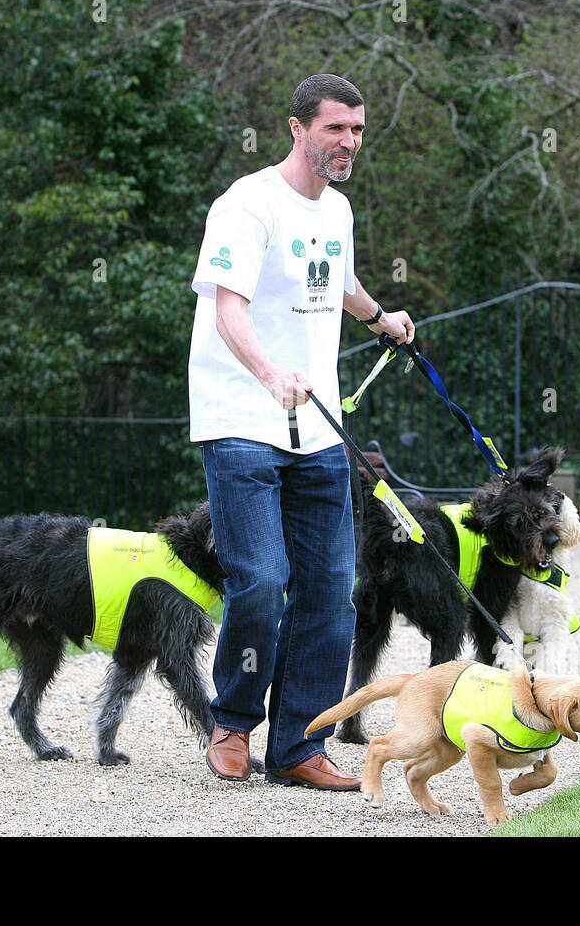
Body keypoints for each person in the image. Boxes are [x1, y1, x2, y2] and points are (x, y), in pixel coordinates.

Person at [187, 73, 416, 789]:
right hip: (242, 418)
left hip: (319, 431)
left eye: (356, 129)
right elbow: (229, 309)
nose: (348, 142)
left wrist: (382, 318)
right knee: (261, 582)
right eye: (334, 129)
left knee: (331, 589)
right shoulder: (247, 205)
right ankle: (231, 723)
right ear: (296, 128)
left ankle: (298, 746)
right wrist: (269, 373)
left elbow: (337, 282)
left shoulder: (338, 210)